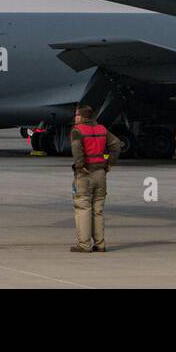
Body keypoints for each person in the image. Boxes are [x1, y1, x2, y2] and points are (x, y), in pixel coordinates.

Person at [69, 106, 122, 253]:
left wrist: (80, 166)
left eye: (76, 115)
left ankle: (84, 245)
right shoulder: (102, 129)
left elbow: (76, 149)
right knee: (97, 210)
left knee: (83, 208)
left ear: (81, 117)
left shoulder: (77, 131)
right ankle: (100, 244)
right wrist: (110, 162)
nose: (75, 118)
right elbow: (116, 144)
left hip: (85, 174)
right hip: (100, 173)